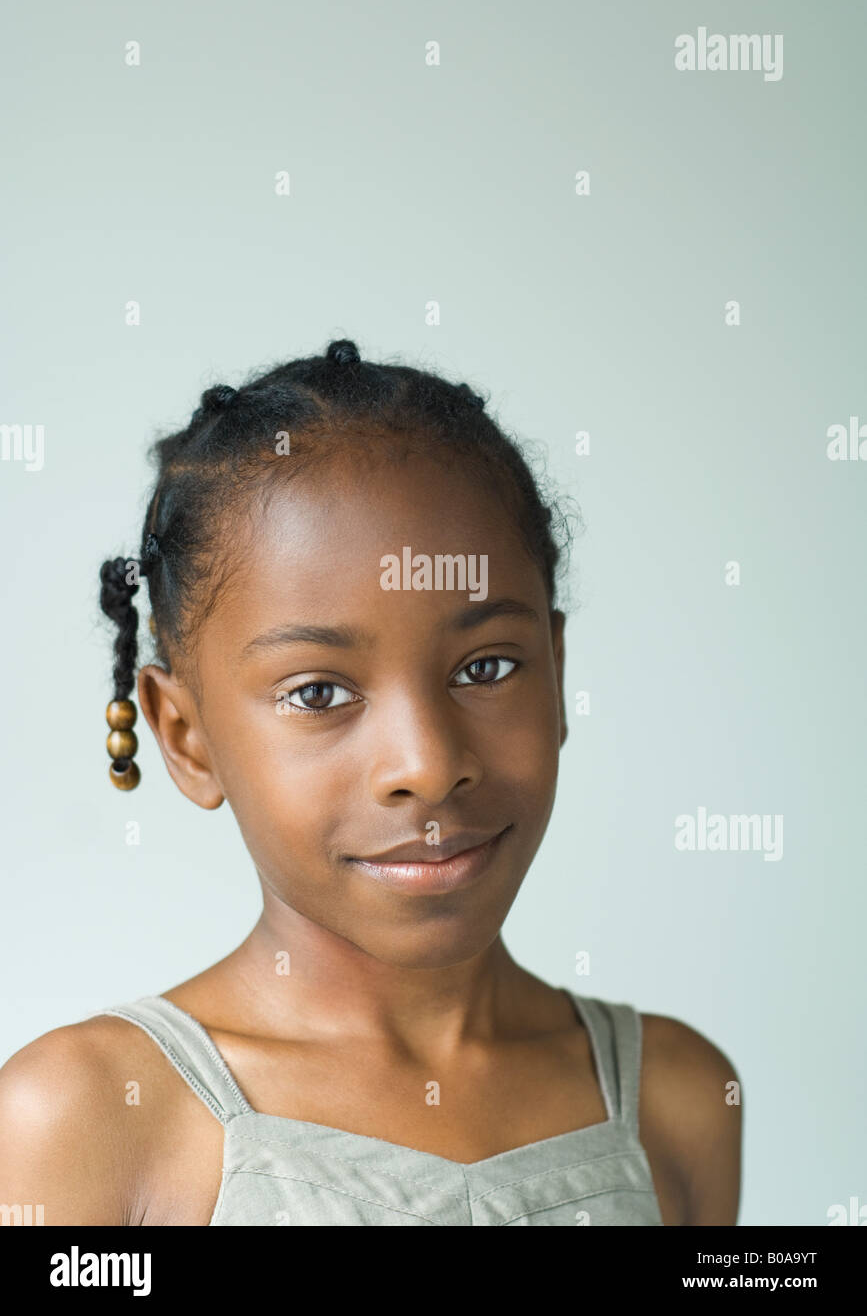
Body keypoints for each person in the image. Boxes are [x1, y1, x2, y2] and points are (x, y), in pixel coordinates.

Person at [0, 339, 741, 1225]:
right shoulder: (86, 1116)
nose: (426, 766)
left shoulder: (678, 1099)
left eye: (487, 668)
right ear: (186, 736)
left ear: (558, 667)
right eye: (317, 691)